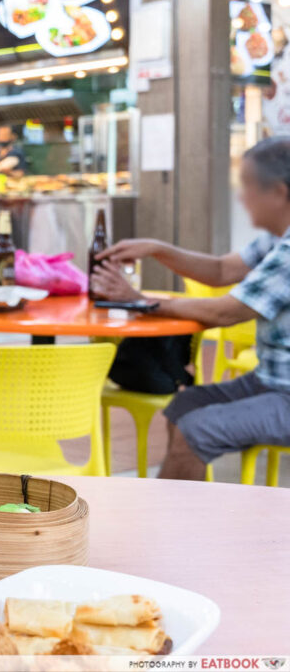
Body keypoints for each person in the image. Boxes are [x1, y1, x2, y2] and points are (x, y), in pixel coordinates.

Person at [91, 136, 290, 481]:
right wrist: (155, 248)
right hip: (269, 382)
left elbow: (226, 312)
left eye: (247, 188)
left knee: (196, 430)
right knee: (182, 408)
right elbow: (220, 271)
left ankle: (170, 525)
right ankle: (181, 509)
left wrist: (137, 301)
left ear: (279, 192)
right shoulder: (277, 238)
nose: (242, 199)